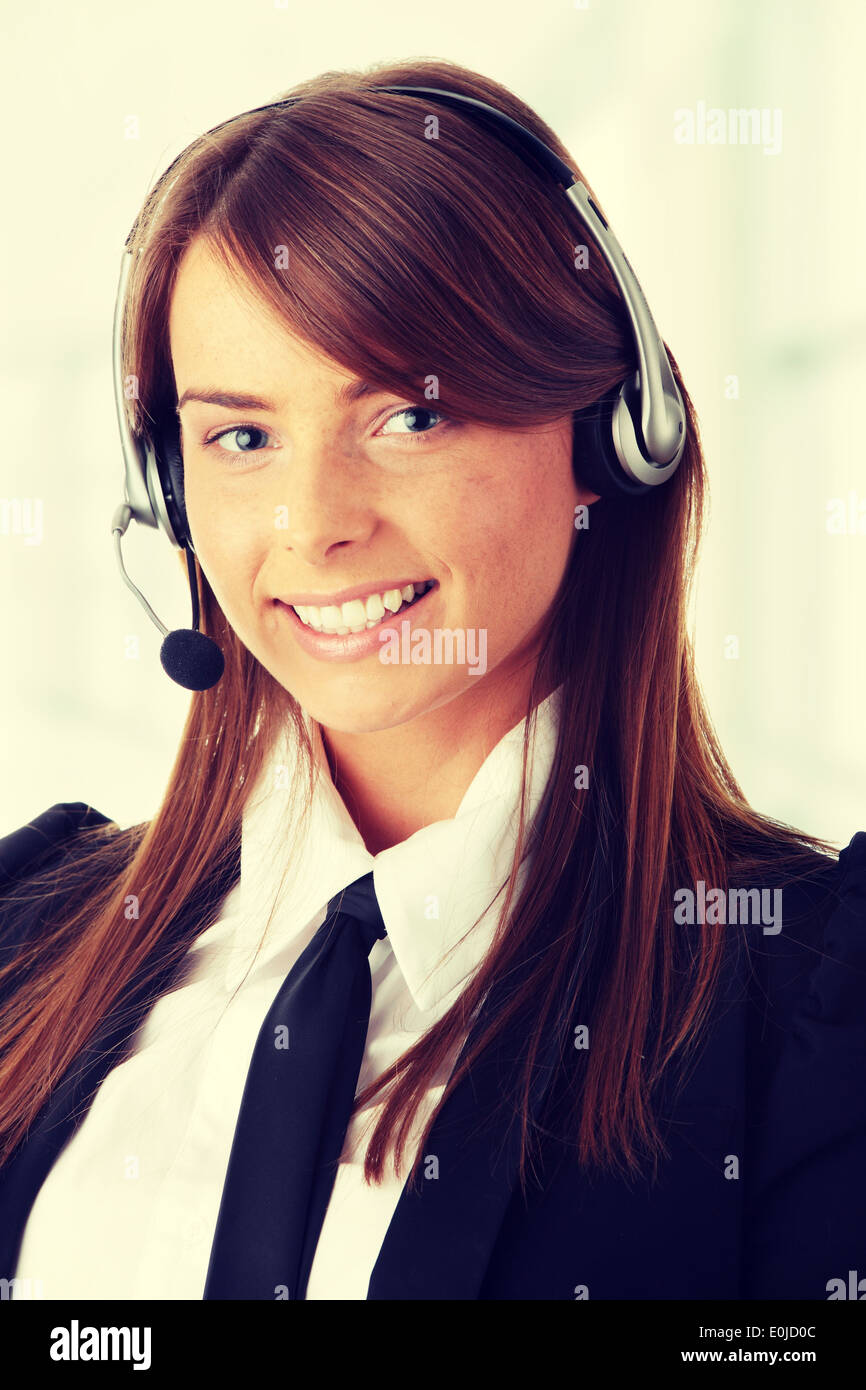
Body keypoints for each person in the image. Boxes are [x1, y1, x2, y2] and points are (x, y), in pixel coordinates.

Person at [1, 57, 864, 1302]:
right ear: (166, 494)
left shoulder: (805, 1010)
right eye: (240, 437)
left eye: (408, 417)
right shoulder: (30, 930)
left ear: (611, 434)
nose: (311, 525)